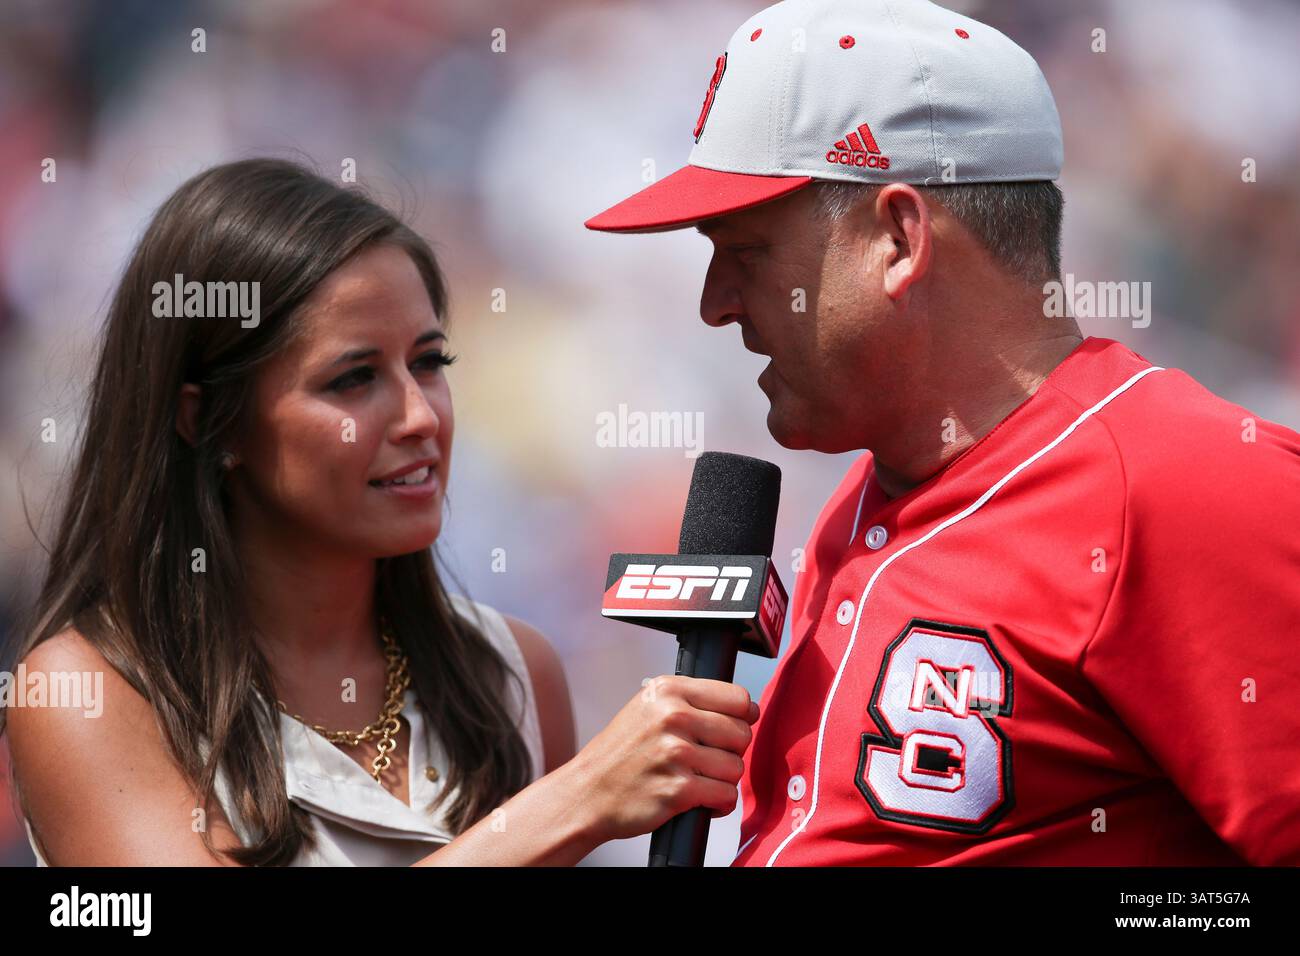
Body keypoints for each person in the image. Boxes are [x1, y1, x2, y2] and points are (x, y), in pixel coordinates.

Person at [586, 0, 1300, 864]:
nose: (714, 304)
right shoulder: (863, 500)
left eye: (747, 252)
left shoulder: (1188, 483)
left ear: (897, 238)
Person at [1, 157, 757, 866]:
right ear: (209, 423)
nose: (420, 416)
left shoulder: (512, 675)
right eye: (354, 378)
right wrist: (572, 804)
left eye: (429, 363)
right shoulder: (93, 690)